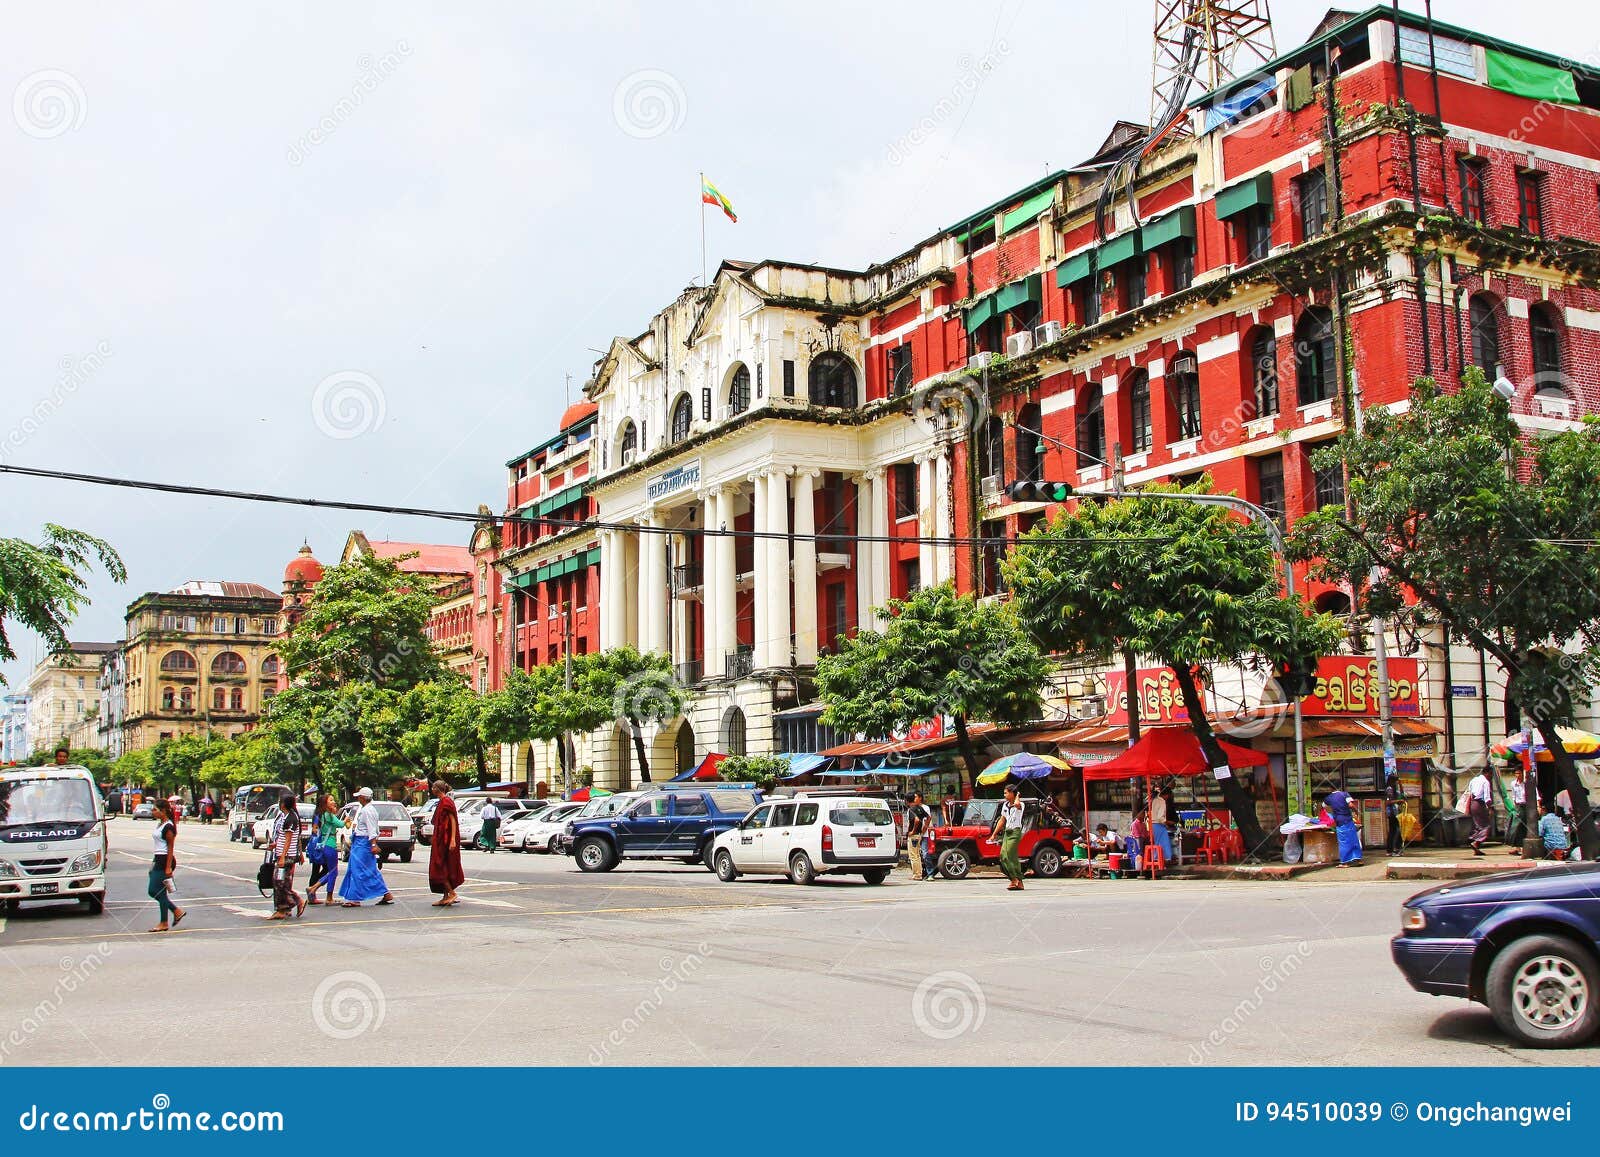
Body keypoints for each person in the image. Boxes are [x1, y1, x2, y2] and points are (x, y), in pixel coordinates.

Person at [340, 788, 394, 907]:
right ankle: (385, 893)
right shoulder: (369, 809)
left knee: (357, 869)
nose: (358, 798)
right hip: (362, 842)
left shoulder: (367, 811)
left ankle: (355, 898)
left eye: (359, 796)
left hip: (363, 842)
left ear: (363, 798)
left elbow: (372, 830)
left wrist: (373, 844)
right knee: (369, 869)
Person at [147, 798, 186, 933]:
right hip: (157, 858)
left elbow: (170, 847)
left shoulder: (168, 826)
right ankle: (173, 914)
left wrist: (168, 867)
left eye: (155, 810)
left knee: (153, 890)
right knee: (160, 891)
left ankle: (169, 917)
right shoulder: (160, 824)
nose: (152, 812)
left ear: (163, 811)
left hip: (164, 860)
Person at [268, 791, 306, 920]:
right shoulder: (286, 816)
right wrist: (275, 845)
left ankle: (293, 902)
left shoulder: (290, 818)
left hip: (287, 856)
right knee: (283, 882)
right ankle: (285, 907)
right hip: (283, 854)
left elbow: (289, 840)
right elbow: (285, 838)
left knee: (279, 881)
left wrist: (283, 856)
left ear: (283, 804)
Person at [428, 781, 464, 907]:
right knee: (443, 865)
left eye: (433, 787)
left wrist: (453, 839)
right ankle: (445, 896)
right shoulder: (440, 802)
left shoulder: (447, 801)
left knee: (440, 866)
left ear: (438, 789)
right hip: (439, 839)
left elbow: (453, 820)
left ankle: (452, 893)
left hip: (447, 839)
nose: (432, 789)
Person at [305, 793, 343, 906]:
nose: (333, 801)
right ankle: (314, 890)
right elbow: (340, 824)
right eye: (331, 800)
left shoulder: (320, 814)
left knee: (322, 870)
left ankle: (314, 891)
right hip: (326, 845)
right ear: (324, 803)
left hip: (320, 845)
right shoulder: (325, 815)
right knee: (329, 871)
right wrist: (345, 820)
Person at [990, 783, 1027, 892]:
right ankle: (1018, 881)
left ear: (1012, 793)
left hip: (1015, 832)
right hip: (1007, 833)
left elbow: (1017, 805)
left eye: (1006, 793)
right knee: (1004, 856)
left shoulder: (1021, 804)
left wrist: (1017, 796)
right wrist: (994, 834)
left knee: (1008, 855)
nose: (1004, 795)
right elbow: (1002, 820)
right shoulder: (1005, 805)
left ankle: (1014, 879)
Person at [1323, 787, 1363, 867]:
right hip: (1349, 819)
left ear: (1331, 789)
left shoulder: (1329, 798)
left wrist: (1333, 813)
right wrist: (1356, 812)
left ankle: (1344, 862)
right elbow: (1351, 805)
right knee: (1354, 839)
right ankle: (1358, 859)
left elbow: (1324, 806)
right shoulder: (1345, 794)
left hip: (1340, 821)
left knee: (1344, 842)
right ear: (1339, 788)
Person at [1466, 767, 1496, 856]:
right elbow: (1487, 797)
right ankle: (1475, 841)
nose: (1491, 776)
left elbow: (1470, 793)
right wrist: (1490, 808)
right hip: (1479, 804)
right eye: (1491, 774)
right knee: (1486, 826)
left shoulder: (1474, 780)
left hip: (1472, 804)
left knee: (1478, 825)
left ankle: (1476, 848)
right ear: (1487, 773)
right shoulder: (1485, 782)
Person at [905, 792, 932, 881]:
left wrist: (912, 831)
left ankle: (917, 875)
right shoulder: (919, 808)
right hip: (919, 834)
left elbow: (916, 820)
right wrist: (924, 828)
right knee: (917, 855)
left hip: (914, 835)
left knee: (913, 856)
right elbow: (928, 818)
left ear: (907, 801)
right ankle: (918, 873)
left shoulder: (911, 809)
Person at [1148, 783, 1173, 864]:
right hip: (1158, 825)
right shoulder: (1162, 801)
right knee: (1164, 843)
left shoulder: (1154, 799)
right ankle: (1165, 859)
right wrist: (1166, 824)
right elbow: (1160, 817)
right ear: (1166, 795)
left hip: (1152, 825)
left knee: (1156, 843)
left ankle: (1156, 859)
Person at [1506, 767, 1528, 856]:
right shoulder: (1513, 784)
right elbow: (1514, 796)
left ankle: (1523, 848)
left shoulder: (1526, 783)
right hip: (1518, 806)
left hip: (1526, 806)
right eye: (1516, 773)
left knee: (1523, 826)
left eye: (1519, 773)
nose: (1518, 775)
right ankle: (1517, 848)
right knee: (1516, 827)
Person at [1384, 772, 1404, 856]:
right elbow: (1388, 802)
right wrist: (1398, 801)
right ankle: (1392, 849)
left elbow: (1402, 795)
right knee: (1394, 831)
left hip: (1397, 812)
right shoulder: (1389, 789)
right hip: (1392, 812)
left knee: (1397, 830)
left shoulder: (1396, 789)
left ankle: (1396, 849)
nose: (1397, 782)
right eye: (1396, 780)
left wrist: (1401, 785)